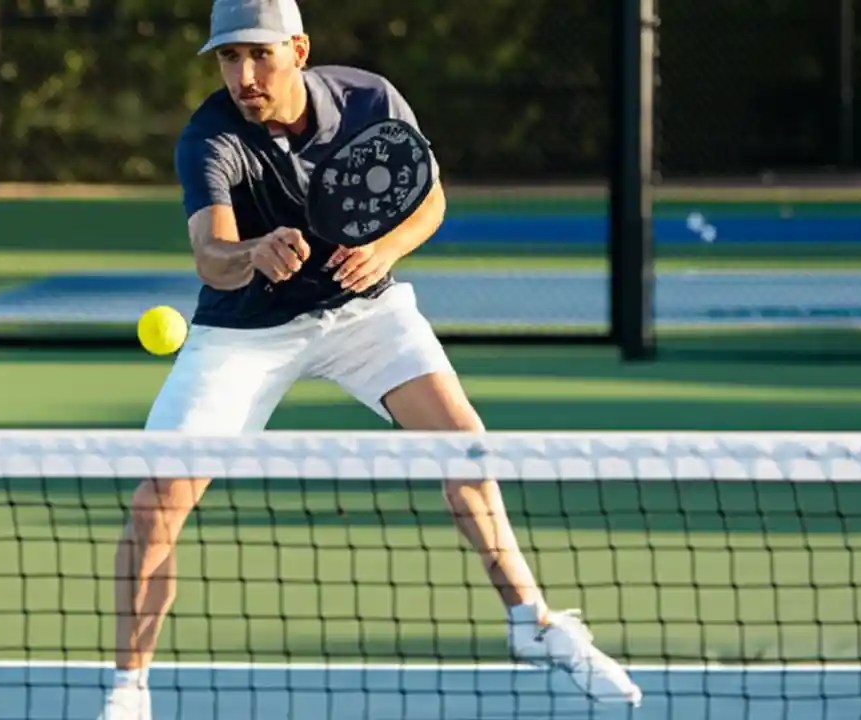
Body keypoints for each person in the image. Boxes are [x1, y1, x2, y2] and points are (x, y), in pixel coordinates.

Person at [99, 1, 642, 717]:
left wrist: (386, 249)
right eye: (230, 59)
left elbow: (431, 198)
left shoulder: (368, 99)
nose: (244, 74)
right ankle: (130, 687)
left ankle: (531, 622)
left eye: (259, 54)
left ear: (298, 49)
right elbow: (210, 254)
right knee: (157, 500)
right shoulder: (210, 138)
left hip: (365, 313)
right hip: (246, 331)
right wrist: (252, 254)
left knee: (466, 448)